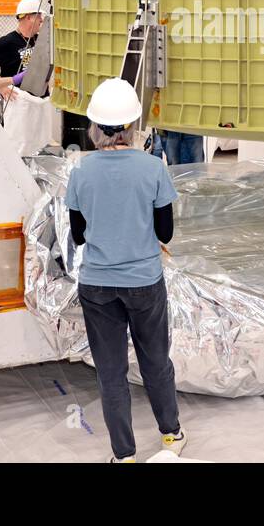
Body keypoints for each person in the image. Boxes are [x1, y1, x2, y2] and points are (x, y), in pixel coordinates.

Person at [65, 77, 187, 462]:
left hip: (98, 285)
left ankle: (124, 455)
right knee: (155, 362)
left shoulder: (81, 172)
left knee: (111, 373)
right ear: (134, 126)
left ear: (95, 127)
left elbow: (80, 236)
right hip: (144, 283)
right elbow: (165, 231)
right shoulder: (152, 168)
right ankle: (171, 436)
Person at [0, 0, 43, 78]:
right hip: (18, 90)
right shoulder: (8, 42)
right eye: (39, 16)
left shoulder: (40, 39)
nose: (41, 20)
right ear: (28, 18)